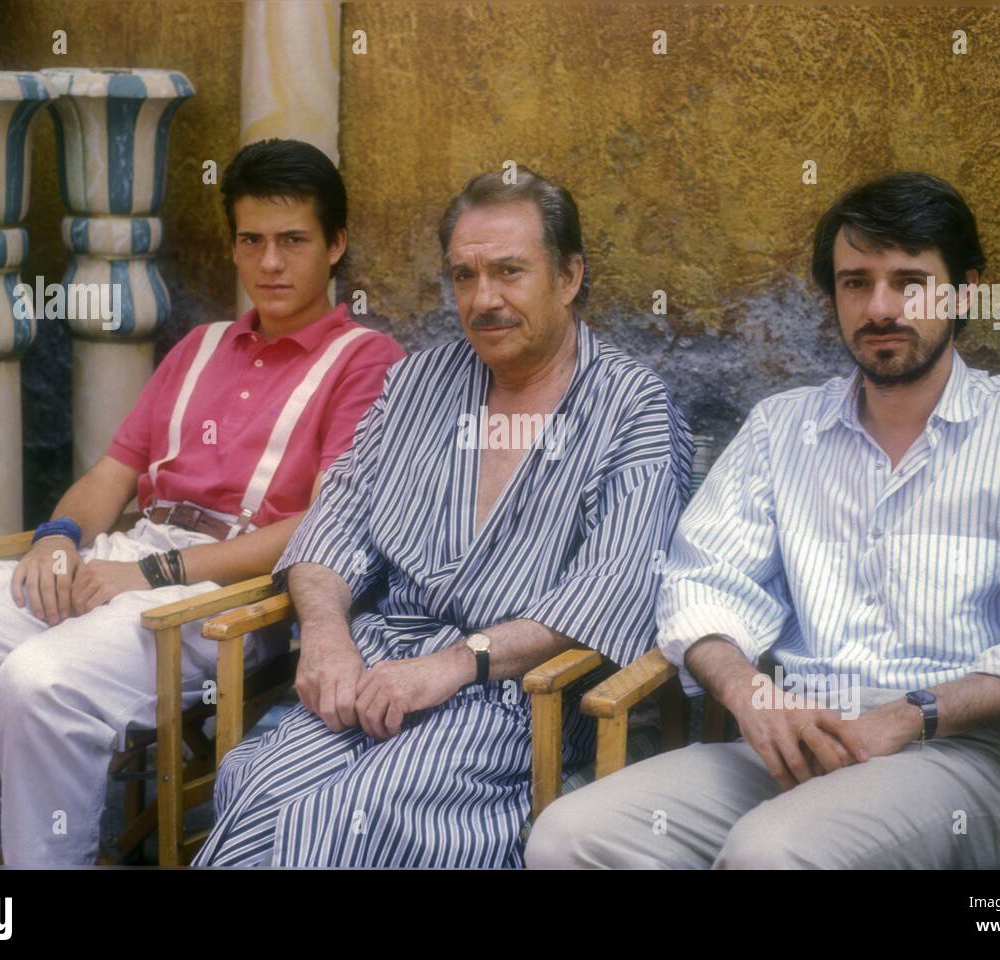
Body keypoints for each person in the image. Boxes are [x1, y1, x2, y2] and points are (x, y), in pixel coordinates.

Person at [526, 171, 1000, 869]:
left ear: (964, 290)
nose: (880, 307)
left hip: (961, 760)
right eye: (854, 282)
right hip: (794, 740)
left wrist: (908, 715)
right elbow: (702, 587)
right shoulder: (780, 430)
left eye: (910, 282)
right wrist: (748, 692)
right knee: (569, 838)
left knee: (772, 854)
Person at [0, 138, 405, 865]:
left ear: (335, 245)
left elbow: (321, 526)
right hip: (122, 557)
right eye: (251, 240)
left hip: (226, 596)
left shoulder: (367, 361)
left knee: (37, 685)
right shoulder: (201, 346)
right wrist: (57, 535)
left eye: (293, 241)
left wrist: (153, 579)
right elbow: (113, 473)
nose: (269, 263)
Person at [193, 168, 693, 868]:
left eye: (509, 272)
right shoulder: (418, 383)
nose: (483, 299)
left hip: (521, 695)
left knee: (354, 815)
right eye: (465, 275)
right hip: (378, 666)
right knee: (256, 782)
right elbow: (334, 522)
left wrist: (456, 665)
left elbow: (615, 587)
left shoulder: (631, 409)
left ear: (570, 276)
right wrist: (329, 634)